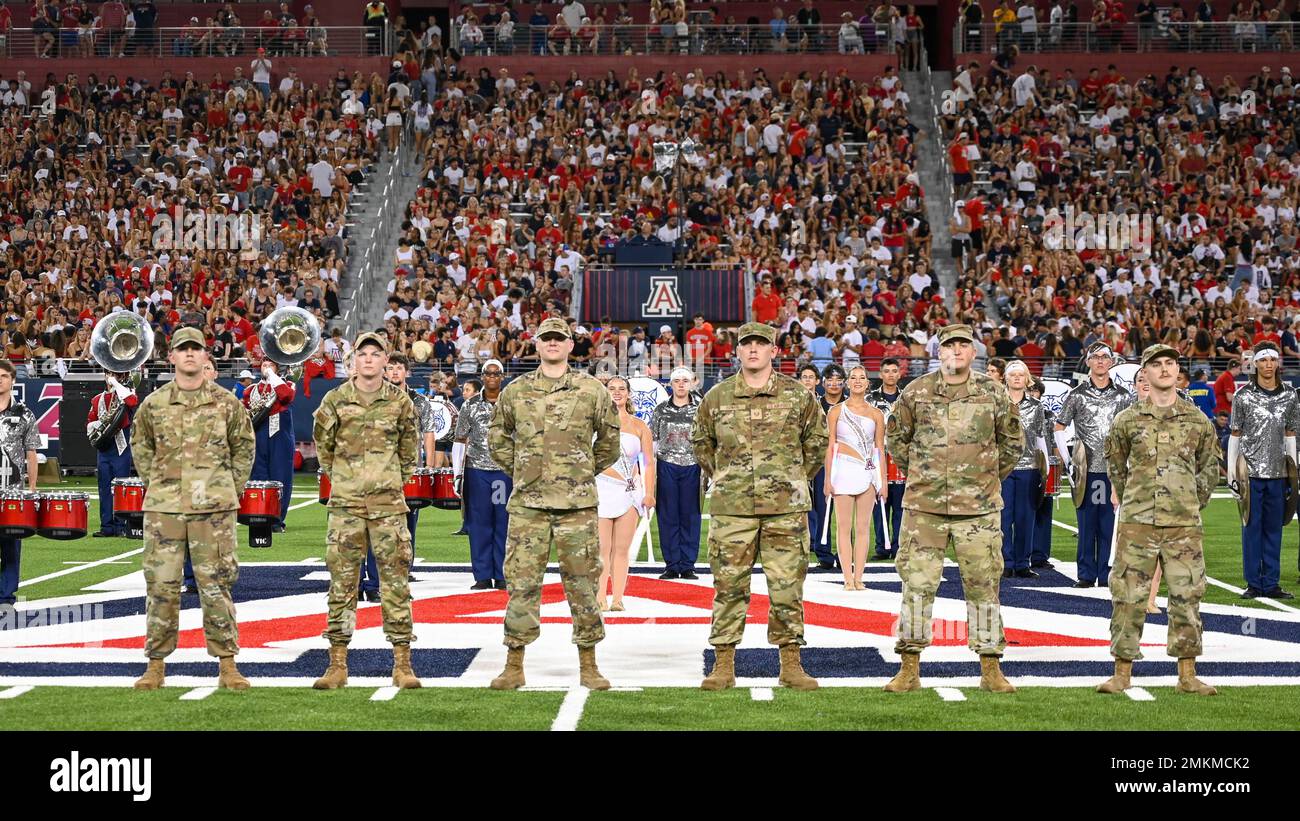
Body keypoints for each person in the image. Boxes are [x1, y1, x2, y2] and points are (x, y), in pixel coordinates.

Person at [883, 324, 1023, 694]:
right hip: (923, 509)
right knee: (917, 586)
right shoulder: (916, 392)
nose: (956, 351)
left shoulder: (993, 392)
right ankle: (909, 668)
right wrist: (925, 474)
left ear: (973, 352)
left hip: (978, 510)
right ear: (938, 352)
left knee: (984, 588)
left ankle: (991, 668)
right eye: (949, 346)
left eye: (963, 345)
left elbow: (1011, 444)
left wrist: (983, 478)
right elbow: (896, 440)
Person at [486, 316, 622, 691]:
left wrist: (578, 471)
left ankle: (589, 664)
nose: (552, 343)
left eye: (559, 338)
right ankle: (514, 664)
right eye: (546, 338)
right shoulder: (516, 390)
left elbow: (609, 440)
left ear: (569, 344)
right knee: (522, 583)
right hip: (529, 505)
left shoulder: (591, 389)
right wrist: (525, 468)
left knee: (583, 584)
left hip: (576, 505)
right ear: (536, 343)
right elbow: (497, 437)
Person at [692, 321, 828, 691]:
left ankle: (790, 663)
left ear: (773, 351)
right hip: (732, 509)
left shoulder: (798, 396)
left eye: (761, 344)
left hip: (785, 508)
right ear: (737, 351)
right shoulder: (716, 397)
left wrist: (793, 477)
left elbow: (816, 442)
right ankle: (723, 664)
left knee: (787, 586)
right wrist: (725, 476)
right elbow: (701, 443)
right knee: (728, 585)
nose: (753, 350)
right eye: (746, 344)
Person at [128, 328, 255, 690]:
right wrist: (159, 486)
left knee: (216, 586)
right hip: (165, 509)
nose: (188, 355)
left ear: (205, 356)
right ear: (171, 357)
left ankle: (227, 665)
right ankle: (155, 665)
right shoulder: (153, 404)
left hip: (213, 510)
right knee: (162, 586)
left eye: (195, 349)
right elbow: (142, 450)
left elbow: (243, 449)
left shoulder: (227, 402)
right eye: (182, 349)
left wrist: (227, 489)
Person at [1098, 343, 1220, 696]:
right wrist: (1135, 499)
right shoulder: (1127, 420)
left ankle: (1187, 675)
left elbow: (1209, 469)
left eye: (1170, 363)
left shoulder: (1197, 420)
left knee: (1187, 595)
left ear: (1178, 372)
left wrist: (1190, 500)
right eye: (1157, 365)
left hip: (1183, 524)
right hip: (1138, 523)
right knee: (1127, 596)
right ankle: (1122, 673)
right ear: (1146, 375)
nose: (1164, 369)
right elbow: (1116, 468)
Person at [311, 332, 421, 690]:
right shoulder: (335, 400)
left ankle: (402, 664)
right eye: (364, 354)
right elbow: (323, 449)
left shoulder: (399, 402)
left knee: (395, 584)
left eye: (376, 354)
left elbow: (409, 450)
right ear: (354, 360)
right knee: (342, 584)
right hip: (346, 506)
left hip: (389, 506)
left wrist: (390, 481)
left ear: (385, 360)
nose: (370, 360)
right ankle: (337, 664)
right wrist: (345, 480)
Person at [359, 352, 438, 599]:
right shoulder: (374, 397)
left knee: (405, 531)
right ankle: (370, 584)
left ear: (407, 372)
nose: (394, 372)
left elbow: (428, 434)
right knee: (373, 527)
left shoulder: (420, 401)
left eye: (398, 368)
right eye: (390, 367)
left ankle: (399, 582)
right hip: (377, 472)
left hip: (407, 473)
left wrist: (429, 467)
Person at [1054, 342, 1132, 588]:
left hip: (1114, 471)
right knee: (1087, 525)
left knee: (1110, 525)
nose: (1100, 361)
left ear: (1112, 362)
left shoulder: (1123, 395)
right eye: (1095, 357)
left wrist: (1127, 462)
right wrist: (1069, 462)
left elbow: (1130, 431)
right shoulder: (1076, 394)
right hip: (1086, 472)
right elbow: (1058, 427)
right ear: (1087, 362)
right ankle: (1086, 574)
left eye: (1105, 357)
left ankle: (1107, 573)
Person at [1227, 342, 1298, 600]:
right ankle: (1254, 583)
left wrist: (1294, 471)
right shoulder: (1243, 396)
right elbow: (1235, 435)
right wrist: (1232, 473)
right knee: (1251, 528)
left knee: (1274, 529)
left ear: (1277, 363)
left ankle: (1272, 582)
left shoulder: (1290, 396)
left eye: (1272, 360)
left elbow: (1291, 434)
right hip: (1251, 474)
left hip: (1279, 473)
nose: (1268, 365)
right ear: (1254, 363)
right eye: (1263, 360)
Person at [595, 375, 655, 611]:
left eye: (622, 389)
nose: (617, 392)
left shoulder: (639, 426)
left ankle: (618, 598)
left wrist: (649, 493)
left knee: (621, 549)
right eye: (612, 388)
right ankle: (600, 596)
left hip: (629, 492)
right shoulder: (594, 422)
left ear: (629, 394)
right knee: (601, 549)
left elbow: (648, 463)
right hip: (600, 489)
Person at [825, 365, 886, 589]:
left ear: (867, 383)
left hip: (867, 473)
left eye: (862, 377)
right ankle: (846, 578)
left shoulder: (876, 414)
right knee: (843, 527)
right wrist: (827, 479)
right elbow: (830, 445)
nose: (858, 381)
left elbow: (879, 448)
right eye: (853, 377)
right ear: (847, 383)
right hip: (842, 472)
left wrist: (883, 482)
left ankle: (859, 577)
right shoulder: (836, 412)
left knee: (862, 527)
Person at [453, 359, 511, 590]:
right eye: (488, 373)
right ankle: (483, 574)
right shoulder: (469, 405)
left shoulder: (512, 404)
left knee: (504, 523)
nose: (492, 377)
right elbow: (460, 440)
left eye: (497, 373)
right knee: (479, 524)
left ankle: (503, 573)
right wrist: (457, 475)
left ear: (503, 376)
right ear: (483, 376)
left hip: (504, 472)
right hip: (476, 471)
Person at [649, 366, 703, 580]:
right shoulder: (661, 409)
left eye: (684, 380)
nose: (681, 384)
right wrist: (650, 469)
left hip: (692, 465)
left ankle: (688, 564)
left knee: (691, 516)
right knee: (668, 515)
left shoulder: (701, 408)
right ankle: (671, 564)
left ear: (692, 383)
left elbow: (707, 438)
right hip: (666, 465)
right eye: (677, 381)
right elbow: (652, 441)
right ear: (670, 384)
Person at [1001, 360, 1050, 578]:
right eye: (1013, 375)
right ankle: (1004, 562)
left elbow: (1041, 438)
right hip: (1002, 468)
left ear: (1027, 378)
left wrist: (1045, 468)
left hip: (1029, 467)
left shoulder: (1037, 407)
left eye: (1021, 375)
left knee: (1025, 518)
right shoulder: (996, 403)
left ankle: (1022, 563)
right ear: (1006, 378)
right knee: (1003, 518)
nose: (1017, 378)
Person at [0, 359, 37, 613]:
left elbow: (31, 452)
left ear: (13, 379)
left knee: (11, 544)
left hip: (13, 490)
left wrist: (32, 487)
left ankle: (6, 596)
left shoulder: (24, 413)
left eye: (3, 376)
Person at [242, 358, 295, 531]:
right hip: (259, 433)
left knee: (281, 476)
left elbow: (286, 396)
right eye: (264, 365)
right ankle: (261, 516)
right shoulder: (250, 389)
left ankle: (278, 519)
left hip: (279, 434)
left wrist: (272, 375)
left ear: (277, 368)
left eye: (271, 365)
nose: (266, 367)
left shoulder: (287, 384)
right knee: (259, 475)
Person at [86, 371, 139, 538]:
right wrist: (97, 424)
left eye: (115, 374)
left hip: (121, 449)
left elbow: (131, 401)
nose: (111, 377)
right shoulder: (97, 400)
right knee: (104, 488)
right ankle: (106, 526)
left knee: (121, 488)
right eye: (109, 374)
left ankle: (121, 525)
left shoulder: (126, 394)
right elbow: (89, 423)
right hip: (104, 449)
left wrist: (116, 384)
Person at [808, 364, 845, 570]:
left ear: (843, 382)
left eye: (837, 379)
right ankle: (823, 554)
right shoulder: (815, 405)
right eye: (829, 379)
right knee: (822, 509)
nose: (833, 383)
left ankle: (843, 552)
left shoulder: (851, 404)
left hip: (847, 462)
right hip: (822, 462)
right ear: (823, 382)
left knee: (845, 509)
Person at [868, 357, 905, 559]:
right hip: (877, 458)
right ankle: (882, 547)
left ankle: (899, 546)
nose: (890, 374)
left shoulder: (907, 398)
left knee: (900, 507)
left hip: (900, 460)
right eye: (886, 371)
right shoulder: (870, 400)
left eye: (894, 371)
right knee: (879, 505)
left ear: (899, 374)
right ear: (880, 374)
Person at [1026, 377, 1055, 569]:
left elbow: (1052, 440)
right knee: (1021, 513)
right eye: (1029, 390)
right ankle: (1017, 555)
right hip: (1024, 466)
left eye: (1035, 390)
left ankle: (1040, 555)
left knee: (1044, 512)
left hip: (1044, 465)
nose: (1031, 394)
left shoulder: (1048, 414)